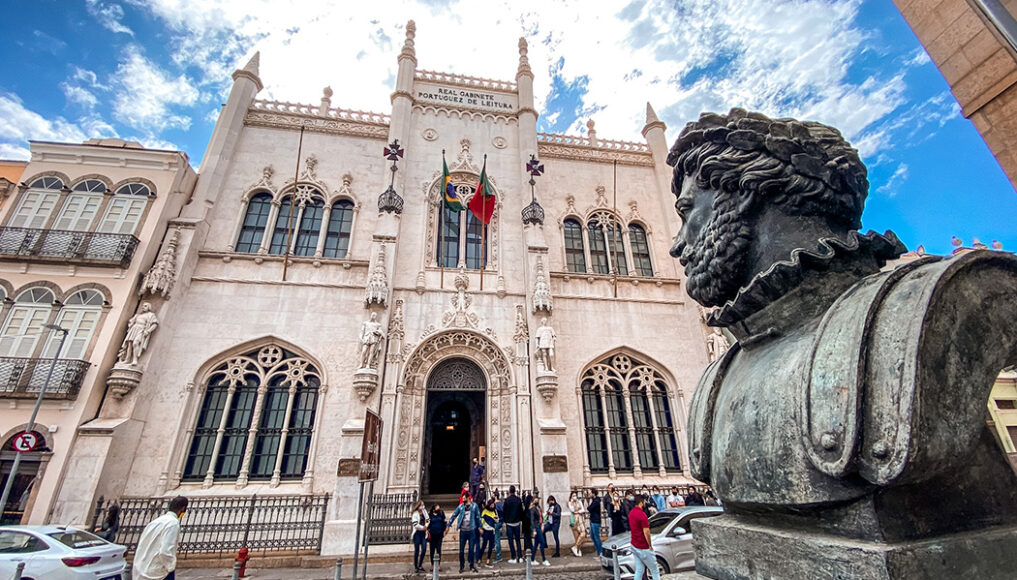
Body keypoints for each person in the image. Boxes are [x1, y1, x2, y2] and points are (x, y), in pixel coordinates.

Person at [133, 496, 187, 580]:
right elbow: (165, 551)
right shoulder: (173, 523)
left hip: (142, 569)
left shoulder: (155, 522)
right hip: (158, 572)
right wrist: (170, 567)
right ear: (183, 508)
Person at [448, 493, 481, 573]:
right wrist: (449, 524)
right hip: (463, 531)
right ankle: (461, 566)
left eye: (464, 498)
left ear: (468, 498)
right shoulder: (461, 507)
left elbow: (478, 516)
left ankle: (471, 566)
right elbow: (454, 515)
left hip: (471, 530)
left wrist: (480, 526)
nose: (463, 500)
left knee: (471, 549)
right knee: (461, 550)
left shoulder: (474, 506)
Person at [628, 494, 659, 580]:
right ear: (641, 502)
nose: (645, 502)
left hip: (634, 544)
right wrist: (649, 545)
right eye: (645, 501)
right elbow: (646, 531)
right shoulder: (642, 515)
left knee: (639, 569)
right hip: (643, 546)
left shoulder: (631, 513)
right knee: (654, 570)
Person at [502, 485, 524, 563]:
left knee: (511, 541)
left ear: (509, 491)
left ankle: (513, 557)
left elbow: (504, 511)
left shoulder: (507, 500)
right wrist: (520, 519)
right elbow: (521, 511)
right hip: (517, 522)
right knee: (518, 540)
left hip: (509, 523)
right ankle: (520, 556)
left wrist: (505, 520)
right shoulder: (518, 500)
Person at [528, 497, 549, 566]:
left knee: (536, 544)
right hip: (536, 528)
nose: (537, 501)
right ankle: (544, 559)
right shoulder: (532, 509)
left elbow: (541, 517)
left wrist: (542, 524)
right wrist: (533, 530)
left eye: (537, 500)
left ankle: (532, 559)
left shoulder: (538, 508)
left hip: (540, 526)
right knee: (542, 542)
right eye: (535, 500)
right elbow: (532, 520)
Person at [567, 490, 588, 557]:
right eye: (573, 495)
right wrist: (573, 503)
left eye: (575, 495)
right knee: (576, 536)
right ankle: (578, 550)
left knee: (583, 533)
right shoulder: (570, 503)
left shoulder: (579, 502)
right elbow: (572, 510)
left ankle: (575, 547)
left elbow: (583, 510)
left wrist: (578, 511)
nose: (575, 497)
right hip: (574, 520)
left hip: (580, 519)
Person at [427, 504, 447, 572]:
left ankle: (438, 565)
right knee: (432, 550)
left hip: (439, 534)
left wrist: (444, 530)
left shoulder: (441, 514)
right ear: (434, 508)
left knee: (438, 549)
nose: (439, 509)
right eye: (437, 508)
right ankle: (432, 564)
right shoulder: (430, 515)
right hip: (432, 534)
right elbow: (428, 523)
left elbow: (444, 522)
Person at [411, 500, 429, 573]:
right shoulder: (415, 514)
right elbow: (415, 525)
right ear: (418, 506)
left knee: (424, 549)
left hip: (424, 534)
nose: (423, 506)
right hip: (417, 534)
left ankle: (420, 564)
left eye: (423, 505)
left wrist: (426, 526)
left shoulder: (425, 512)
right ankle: (416, 566)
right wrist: (423, 527)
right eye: (421, 505)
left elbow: (428, 520)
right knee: (417, 551)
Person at [480, 498, 498, 567]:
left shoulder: (494, 511)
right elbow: (482, 520)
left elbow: (497, 520)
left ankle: (488, 559)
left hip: (492, 530)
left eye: (493, 504)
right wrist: (481, 527)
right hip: (486, 530)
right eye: (492, 504)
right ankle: (480, 558)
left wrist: (495, 519)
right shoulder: (485, 511)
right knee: (484, 545)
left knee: (491, 546)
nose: (493, 505)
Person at [587, 488, 603, 557]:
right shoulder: (594, 500)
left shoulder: (596, 501)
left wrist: (589, 508)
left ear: (593, 493)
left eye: (590, 493)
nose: (589, 494)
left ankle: (600, 551)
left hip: (595, 521)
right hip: (593, 520)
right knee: (592, 536)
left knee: (596, 537)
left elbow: (589, 508)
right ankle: (598, 550)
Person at [492, 491, 504, 563]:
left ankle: (498, 556)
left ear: (495, 496)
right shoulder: (501, 503)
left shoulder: (496, 505)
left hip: (497, 522)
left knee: (497, 539)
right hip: (500, 522)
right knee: (496, 538)